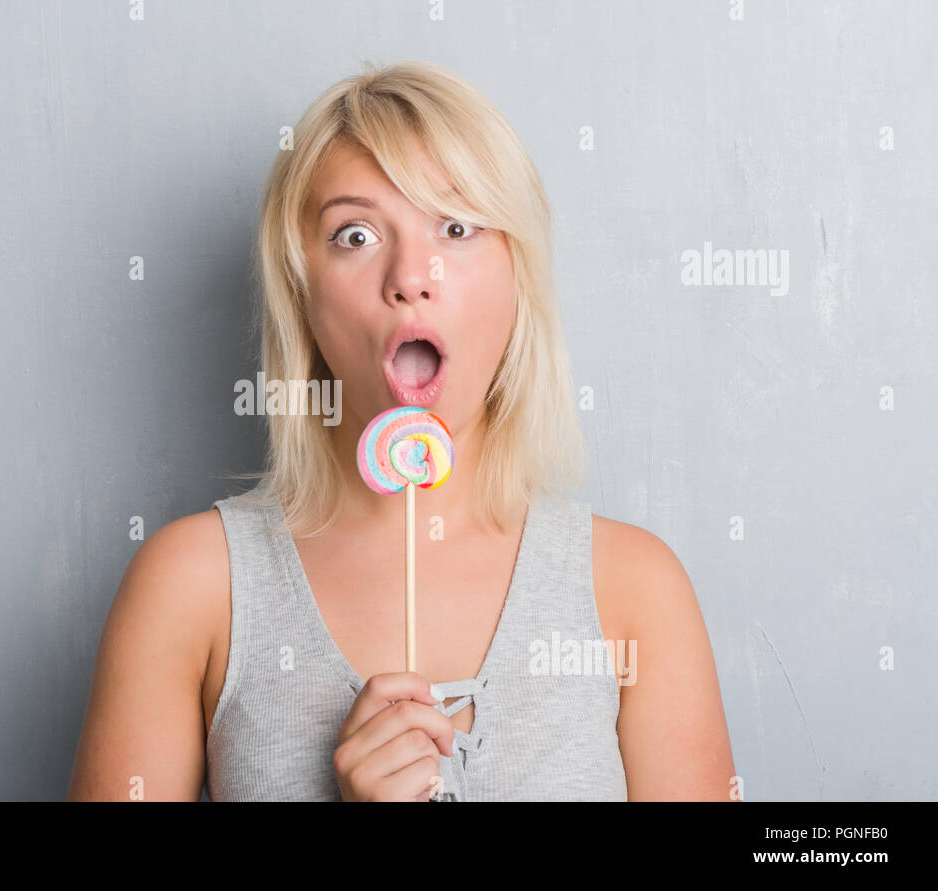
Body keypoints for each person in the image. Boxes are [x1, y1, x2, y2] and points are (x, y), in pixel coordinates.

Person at [68, 60, 736, 801]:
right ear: (303, 298)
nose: (411, 275)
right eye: (354, 234)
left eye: (456, 226)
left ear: (519, 276)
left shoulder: (634, 589)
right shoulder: (191, 587)